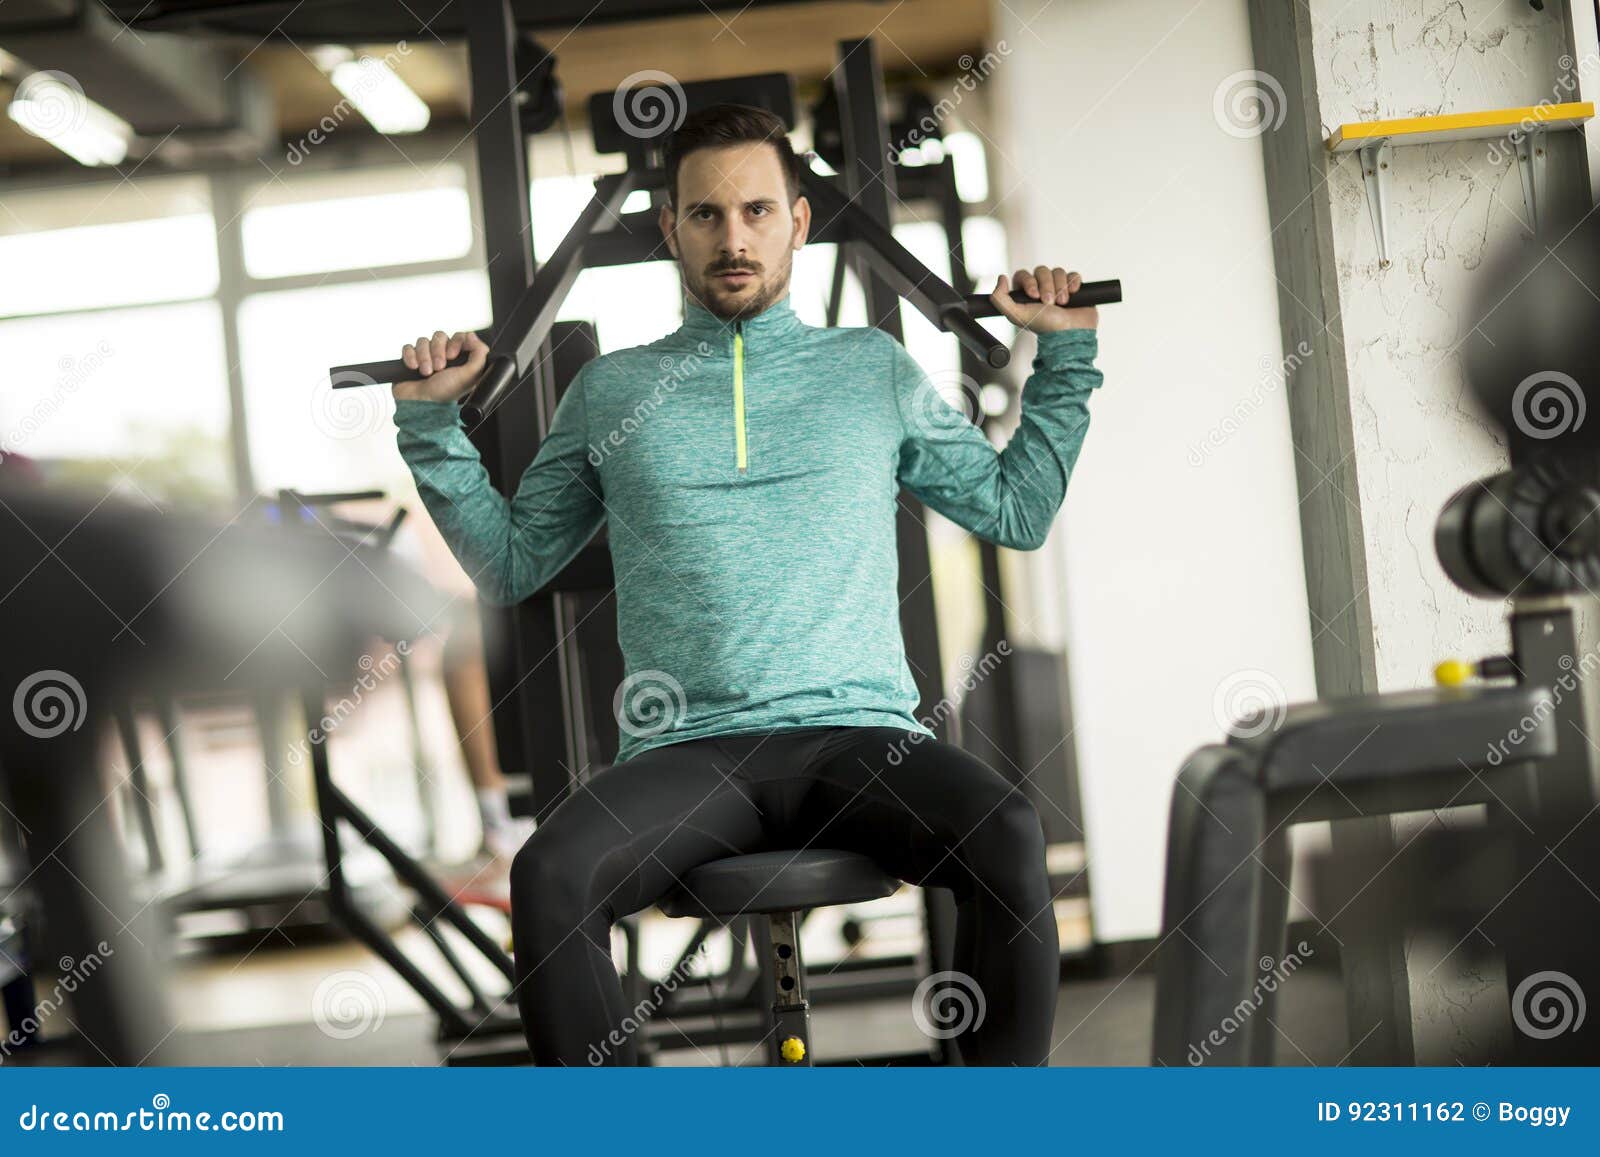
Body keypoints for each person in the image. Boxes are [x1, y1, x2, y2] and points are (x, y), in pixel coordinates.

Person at [390, 103, 1104, 1065]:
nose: (735, 239)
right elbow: (512, 561)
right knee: (549, 873)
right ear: (668, 230)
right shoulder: (610, 390)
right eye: (707, 216)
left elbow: (1015, 511)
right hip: (688, 753)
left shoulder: (871, 370)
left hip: (860, 739)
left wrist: (1065, 352)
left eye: (759, 212)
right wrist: (432, 429)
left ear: (798, 222)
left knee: (1009, 834)